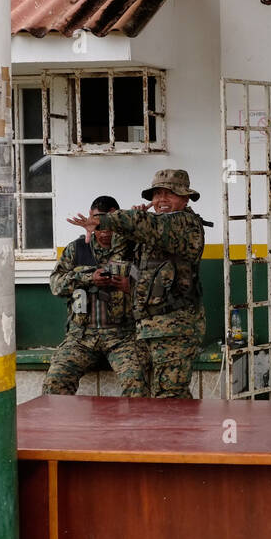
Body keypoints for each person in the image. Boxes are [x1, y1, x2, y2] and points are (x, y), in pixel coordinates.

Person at [68, 169, 206, 399]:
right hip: (146, 327)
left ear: (185, 198)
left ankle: (178, 436)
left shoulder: (185, 223)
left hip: (175, 328)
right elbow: (120, 260)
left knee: (171, 397)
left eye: (169, 193)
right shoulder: (150, 227)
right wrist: (125, 230)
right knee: (143, 396)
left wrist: (107, 220)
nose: (161, 200)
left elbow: (149, 225)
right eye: (157, 194)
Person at [43, 195, 147, 397]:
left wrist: (130, 287)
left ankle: (134, 428)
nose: (104, 230)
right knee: (55, 380)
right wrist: (88, 278)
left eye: (108, 222)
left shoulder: (134, 248)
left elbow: (152, 287)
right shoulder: (77, 249)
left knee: (136, 382)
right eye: (97, 223)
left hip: (123, 336)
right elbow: (56, 285)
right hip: (81, 336)